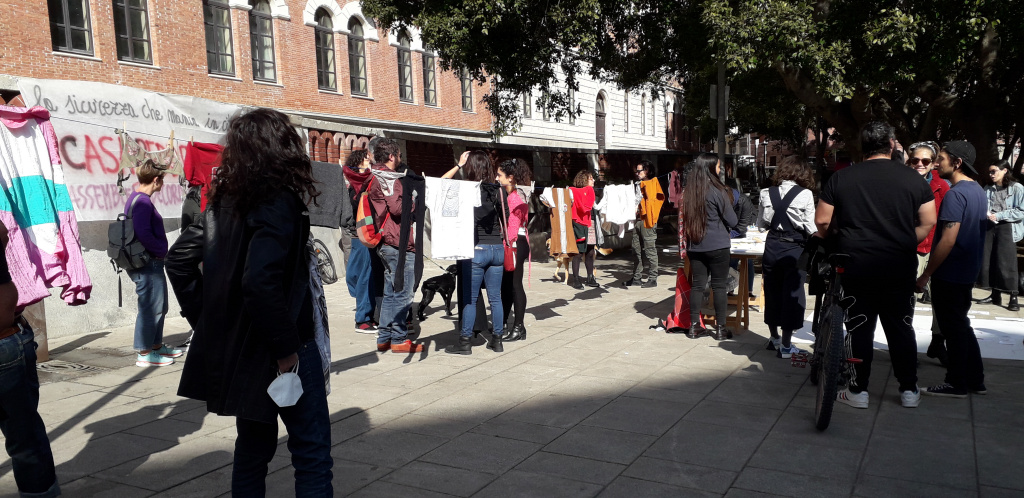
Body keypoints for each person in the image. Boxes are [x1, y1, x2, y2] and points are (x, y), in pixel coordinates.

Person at [165, 108, 333, 496]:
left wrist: (209, 322)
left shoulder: (225, 199)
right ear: (283, 147)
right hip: (283, 344)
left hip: (245, 345)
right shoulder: (277, 200)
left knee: (253, 448)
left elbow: (179, 263)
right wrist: (285, 348)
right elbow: (259, 281)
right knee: (311, 450)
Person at [815, 121, 936, 410]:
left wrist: (837, 237)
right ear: (892, 144)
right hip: (898, 264)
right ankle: (908, 389)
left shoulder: (842, 178)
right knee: (901, 327)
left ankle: (858, 390)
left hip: (856, 264)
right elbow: (929, 221)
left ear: (862, 145)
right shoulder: (914, 179)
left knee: (859, 327)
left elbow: (821, 221)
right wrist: (906, 240)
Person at [916, 141, 988, 398]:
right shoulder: (977, 191)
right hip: (965, 272)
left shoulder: (955, 194)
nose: (937, 163)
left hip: (951, 272)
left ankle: (956, 382)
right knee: (961, 326)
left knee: (954, 329)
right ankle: (975, 379)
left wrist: (926, 274)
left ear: (957, 162)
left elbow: (948, 239)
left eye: (942, 159)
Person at [0, 223, 61, 498]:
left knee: (24, 435)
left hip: (6, 340)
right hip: (4, 339)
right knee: (25, 436)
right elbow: (2, 231)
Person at [444, 152, 507, 354]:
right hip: (497, 248)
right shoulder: (498, 190)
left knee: (470, 299)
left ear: (470, 167)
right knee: (495, 298)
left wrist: (458, 165)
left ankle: (464, 343)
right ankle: (497, 340)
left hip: (476, 249)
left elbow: (442, 184)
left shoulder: (466, 189)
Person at [757, 156, 818, 358]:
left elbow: (760, 225)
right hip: (794, 248)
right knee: (792, 294)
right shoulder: (806, 194)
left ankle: (773, 338)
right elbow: (810, 228)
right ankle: (786, 345)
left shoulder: (766, 193)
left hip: (772, 245)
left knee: (772, 290)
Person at [370, 138, 427, 353]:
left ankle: (385, 336)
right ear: (392, 156)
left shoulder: (375, 174)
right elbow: (396, 208)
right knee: (402, 292)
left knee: (390, 291)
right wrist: (414, 198)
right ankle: (399, 339)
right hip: (397, 242)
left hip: (386, 241)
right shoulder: (388, 177)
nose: (401, 159)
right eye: (400, 156)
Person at [125, 159, 182, 367]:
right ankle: (145, 352)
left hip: (150, 262)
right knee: (150, 307)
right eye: (163, 181)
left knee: (160, 306)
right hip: (147, 263)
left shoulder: (139, 198)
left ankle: (156, 346)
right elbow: (143, 233)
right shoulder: (142, 202)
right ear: (156, 180)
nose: (163, 185)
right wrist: (161, 251)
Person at [903, 141, 951, 364]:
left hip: (935, 248)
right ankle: (907, 347)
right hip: (909, 248)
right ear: (909, 162)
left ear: (933, 164)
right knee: (906, 300)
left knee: (941, 300)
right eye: (915, 160)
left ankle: (937, 341)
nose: (920, 164)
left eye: (925, 161)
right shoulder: (900, 183)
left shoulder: (943, 187)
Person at [682, 153, 738, 340]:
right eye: (718, 166)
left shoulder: (688, 192)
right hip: (718, 244)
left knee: (697, 285)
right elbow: (733, 220)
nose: (720, 169)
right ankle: (721, 329)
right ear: (710, 167)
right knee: (719, 286)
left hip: (695, 245)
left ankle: (694, 327)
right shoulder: (717, 191)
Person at [341, 148, 385, 333]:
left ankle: (368, 314)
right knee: (363, 276)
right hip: (360, 234)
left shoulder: (364, 180)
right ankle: (363, 319)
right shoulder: (354, 182)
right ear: (361, 161)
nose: (371, 162)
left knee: (365, 275)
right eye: (368, 159)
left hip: (365, 234)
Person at [975, 160, 1024, 311]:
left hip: (1007, 227)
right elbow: (982, 205)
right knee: (990, 260)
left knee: (1007, 262)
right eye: (990, 172)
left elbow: (1021, 211)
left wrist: (999, 215)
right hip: (990, 226)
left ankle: (1013, 296)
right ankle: (995, 294)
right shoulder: (988, 188)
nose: (991, 175)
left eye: (994, 171)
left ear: (1005, 171)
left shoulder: (1017, 188)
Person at [499, 158, 532, 342]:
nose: (497, 178)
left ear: (510, 178)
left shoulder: (515, 196)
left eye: (499, 175)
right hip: (516, 242)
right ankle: (508, 323)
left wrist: (508, 244)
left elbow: (513, 224)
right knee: (509, 285)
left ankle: (519, 327)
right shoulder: (512, 193)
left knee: (515, 285)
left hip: (516, 242)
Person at [627, 160, 664, 288]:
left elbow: (652, 200)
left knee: (650, 250)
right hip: (636, 220)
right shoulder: (638, 184)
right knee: (635, 249)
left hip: (648, 221)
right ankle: (637, 277)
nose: (637, 173)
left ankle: (652, 278)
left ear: (647, 170)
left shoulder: (653, 183)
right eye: (636, 171)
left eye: (639, 170)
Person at [568, 170, 598, 289]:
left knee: (590, 252)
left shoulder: (586, 191)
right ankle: (576, 279)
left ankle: (590, 277)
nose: (594, 180)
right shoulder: (576, 191)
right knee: (578, 253)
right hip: (579, 224)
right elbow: (586, 206)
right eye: (591, 178)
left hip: (589, 223)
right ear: (585, 180)